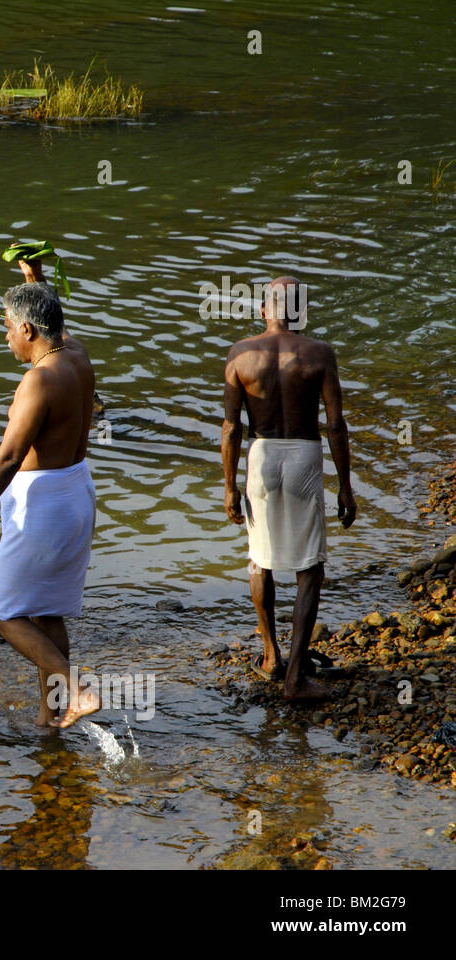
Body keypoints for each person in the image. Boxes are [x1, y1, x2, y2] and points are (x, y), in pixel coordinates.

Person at [0, 270, 99, 729]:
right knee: (46, 611)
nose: (6, 338)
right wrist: (37, 284)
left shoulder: (38, 382)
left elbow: (9, 456)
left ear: (28, 331)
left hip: (44, 506)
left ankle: (76, 688)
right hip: (77, 490)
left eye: (7, 328)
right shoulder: (75, 355)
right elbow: (59, 325)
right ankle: (50, 713)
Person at [222, 275, 355, 701]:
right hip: (303, 456)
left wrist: (228, 487)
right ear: (300, 313)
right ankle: (296, 678)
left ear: (264, 311)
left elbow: (230, 427)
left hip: (260, 456)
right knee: (309, 568)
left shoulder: (241, 354)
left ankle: (269, 654)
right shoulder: (319, 354)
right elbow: (334, 424)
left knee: (260, 561)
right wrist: (346, 488)